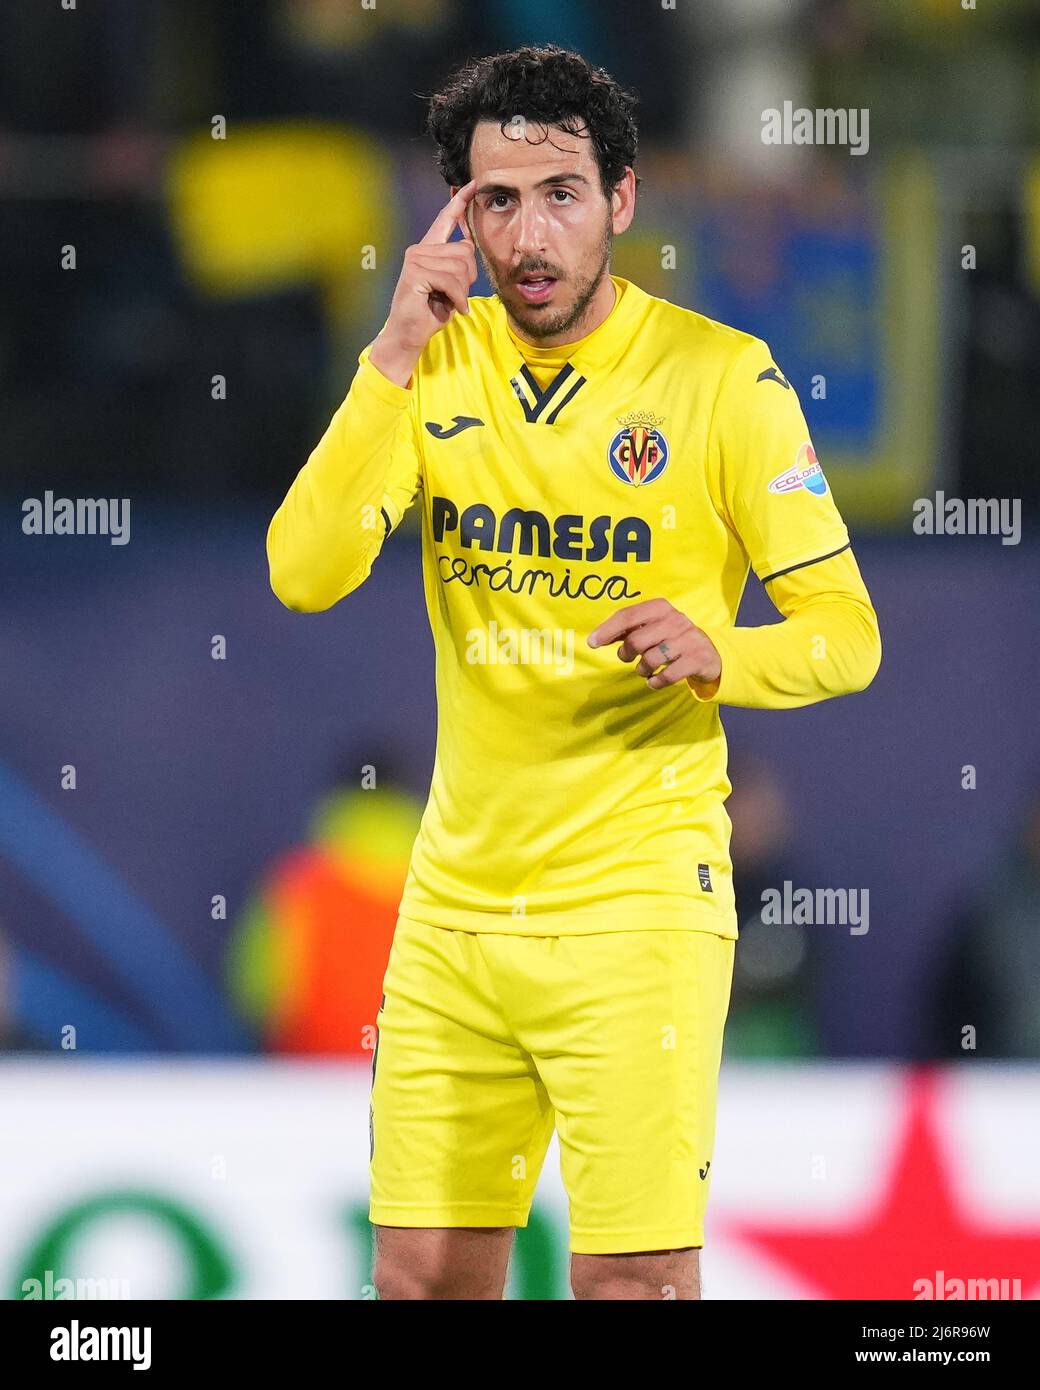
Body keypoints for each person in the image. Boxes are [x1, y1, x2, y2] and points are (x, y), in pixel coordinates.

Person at [266, 44, 881, 1300]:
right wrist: (386, 355)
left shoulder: (723, 378)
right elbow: (303, 571)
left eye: (560, 193)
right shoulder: (433, 365)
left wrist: (727, 652)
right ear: (458, 216)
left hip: (636, 911)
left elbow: (844, 635)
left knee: (631, 1288)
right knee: (424, 1281)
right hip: (454, 914)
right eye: (497, 200)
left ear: (622, 200)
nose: (529, 233)